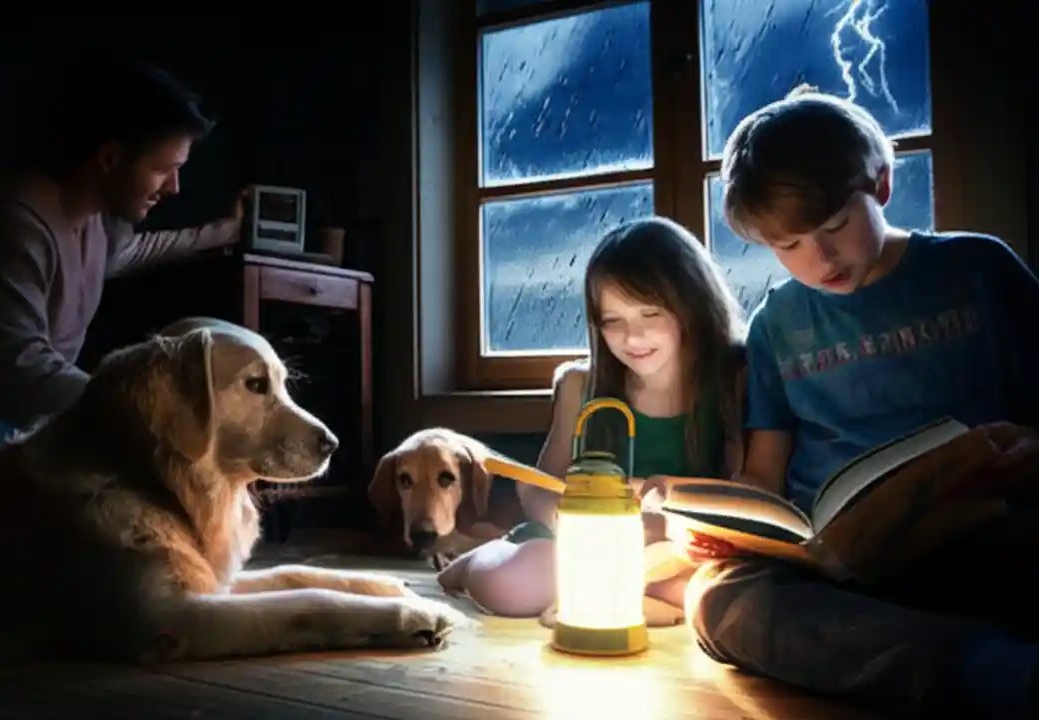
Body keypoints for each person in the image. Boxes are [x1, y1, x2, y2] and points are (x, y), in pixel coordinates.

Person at [683, 84, 1039, 718]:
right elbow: (765, 470)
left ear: (880, 184)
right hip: (844, 561)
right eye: (786, 246)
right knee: (717, 600)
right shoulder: (777, 324)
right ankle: (978, 666)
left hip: (977, 529)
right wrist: (734, 529)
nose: (818, 259)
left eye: (834, 227)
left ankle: (958, 657)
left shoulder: (978, 270)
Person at [0, 57, 248, 454]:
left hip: (9, 421)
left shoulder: (96, 223)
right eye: (165, 169)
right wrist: (144, 411)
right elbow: (19, 367)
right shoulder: (17, 224)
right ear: (110, 158)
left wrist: (223, 232)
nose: (175, 187)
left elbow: (135, 250)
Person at [436, 215, 748, 619]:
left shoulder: (733, 380)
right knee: (514, 586)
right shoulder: (580, 386)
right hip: (580, 541)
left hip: (679, 547)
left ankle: (620, 595)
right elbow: (537, 487)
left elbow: (741, 494)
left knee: (709, 592)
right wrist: (569, 521)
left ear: (692, 305)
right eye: (612, 321)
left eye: (650, 316)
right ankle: (473, 563)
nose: (632, 338)